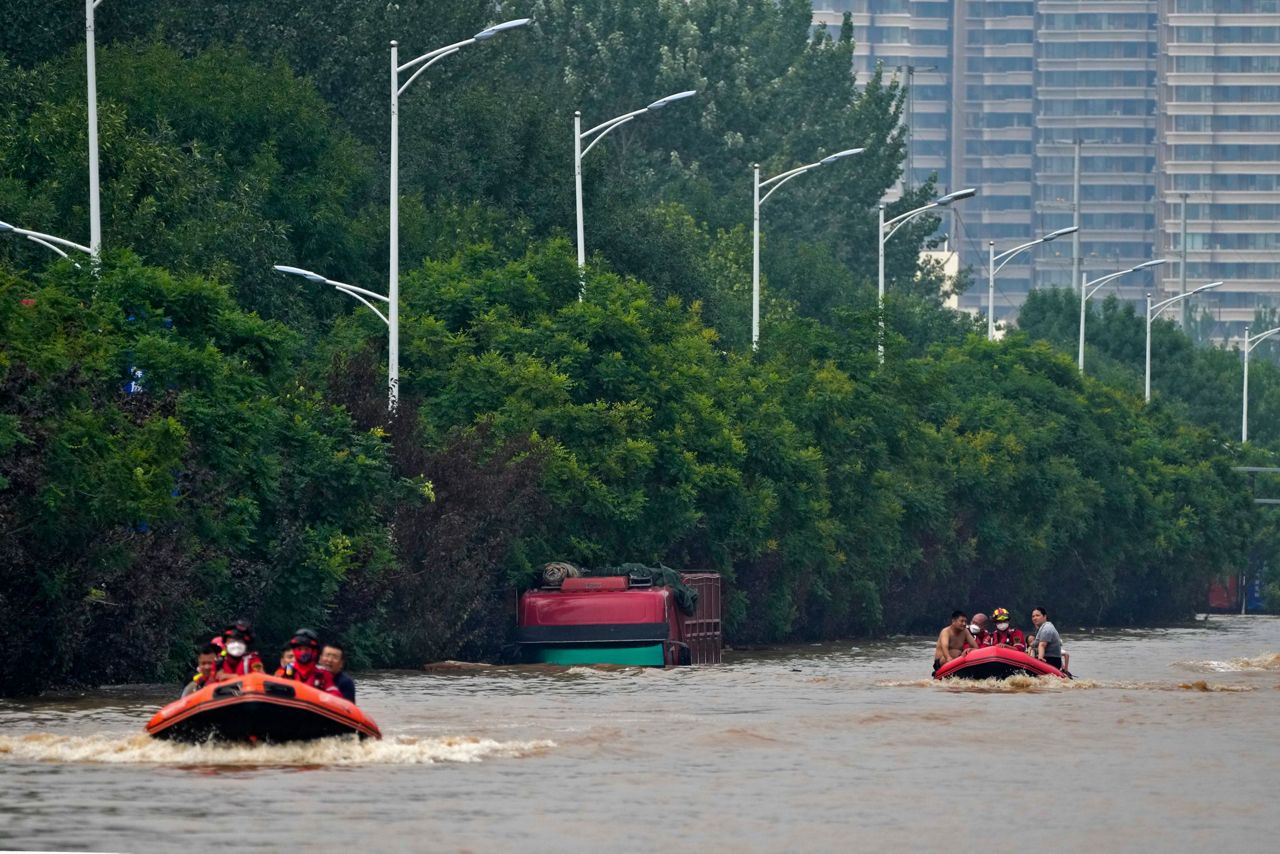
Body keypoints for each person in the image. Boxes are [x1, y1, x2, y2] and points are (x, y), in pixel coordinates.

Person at [279, 628, 341, 696]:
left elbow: (335, 695)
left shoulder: (323, 674)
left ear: (314, 651)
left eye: (307, 649)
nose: (303, 652)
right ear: (294, 650)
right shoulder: (286, 670)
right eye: (299, 649)